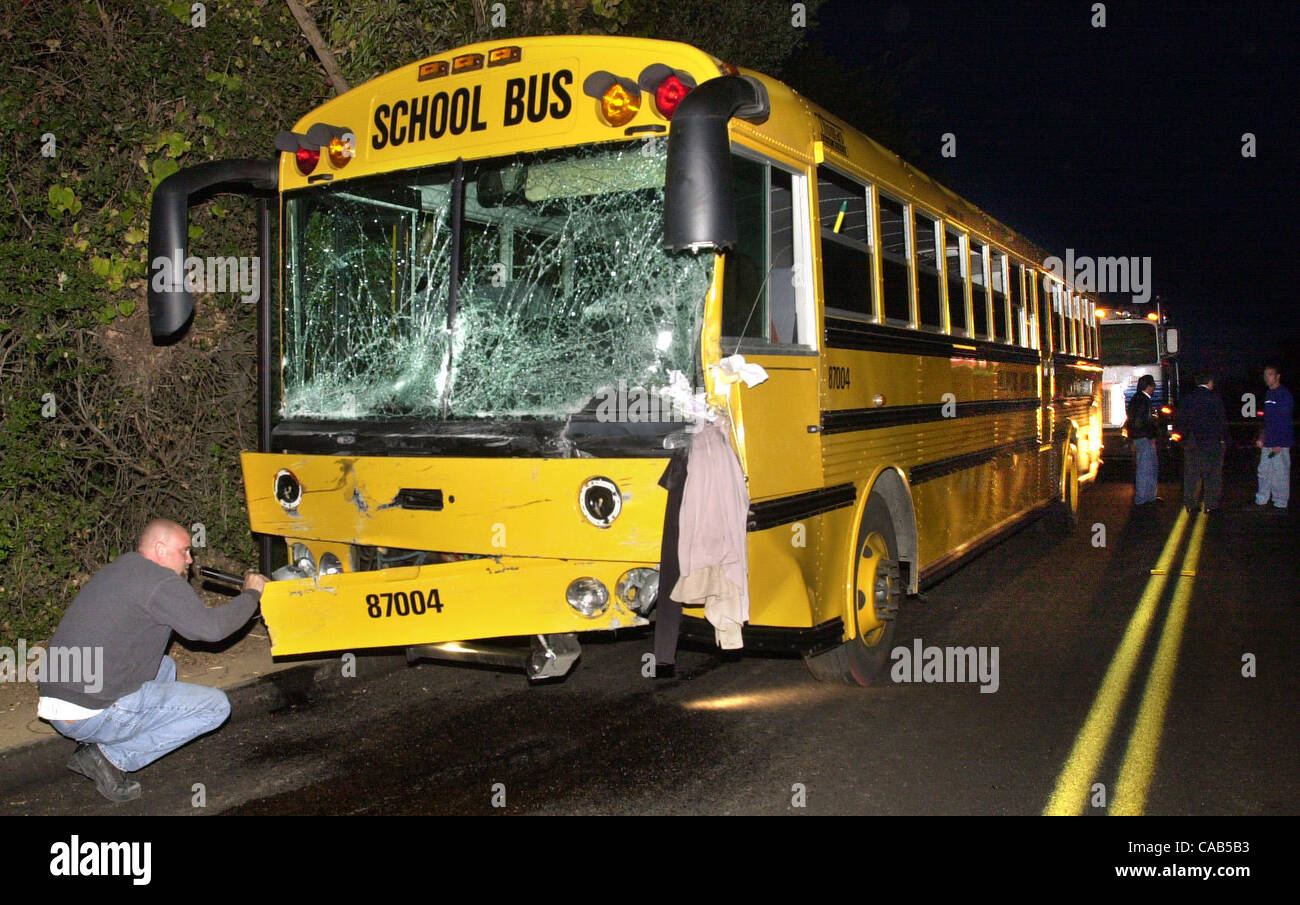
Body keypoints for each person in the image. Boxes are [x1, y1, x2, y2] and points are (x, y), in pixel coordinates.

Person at [37, 519, 267, 802]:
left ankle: (100, 738)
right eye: (184, 551)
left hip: (60, 696)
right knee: (216, 707)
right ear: (160, 549)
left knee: (165, 667)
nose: (190, 559)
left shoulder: (121, 570)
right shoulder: (160, 581)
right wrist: (252, 594)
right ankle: (109, 757)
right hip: (87, 711)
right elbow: (210, 629)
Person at [1174, 372, 1227, 513]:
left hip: (1193, 440)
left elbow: (1181, 419)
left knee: (1192, 473)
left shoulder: (1188, 398)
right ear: (1210, 381)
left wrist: (1184, 437)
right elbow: (1221, 421)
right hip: (1212, 440)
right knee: (1213, 474)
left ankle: (1190, 503)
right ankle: (1211, 504)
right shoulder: (1215, 398)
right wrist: (1223, 438)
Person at [1255, 364, 1293, 509]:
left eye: (1270, 374)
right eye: (1265, 375)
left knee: (1280, 473)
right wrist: (1262, 437)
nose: (1267, 377)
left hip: (1279, 443)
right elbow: (1267, 420)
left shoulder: (1284, 394)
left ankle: (1280, 502)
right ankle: (1262, 498)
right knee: (1264, 470)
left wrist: (1279, 443)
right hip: (1268, 442)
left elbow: (1284, 420)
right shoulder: (1269, 394)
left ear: (1277, 376)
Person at [1126, 374, 1160, 505]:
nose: (1154, 389)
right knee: (1145, 468)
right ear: (1149, 386)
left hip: (1141, 437)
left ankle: (1148, 496)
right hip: (1144, 438)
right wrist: (1149, 435)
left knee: (1148, 467)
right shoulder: (1143, 401)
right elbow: (1141, 422)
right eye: (1153, 386)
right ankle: (1142, 498)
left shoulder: (1137, 399)